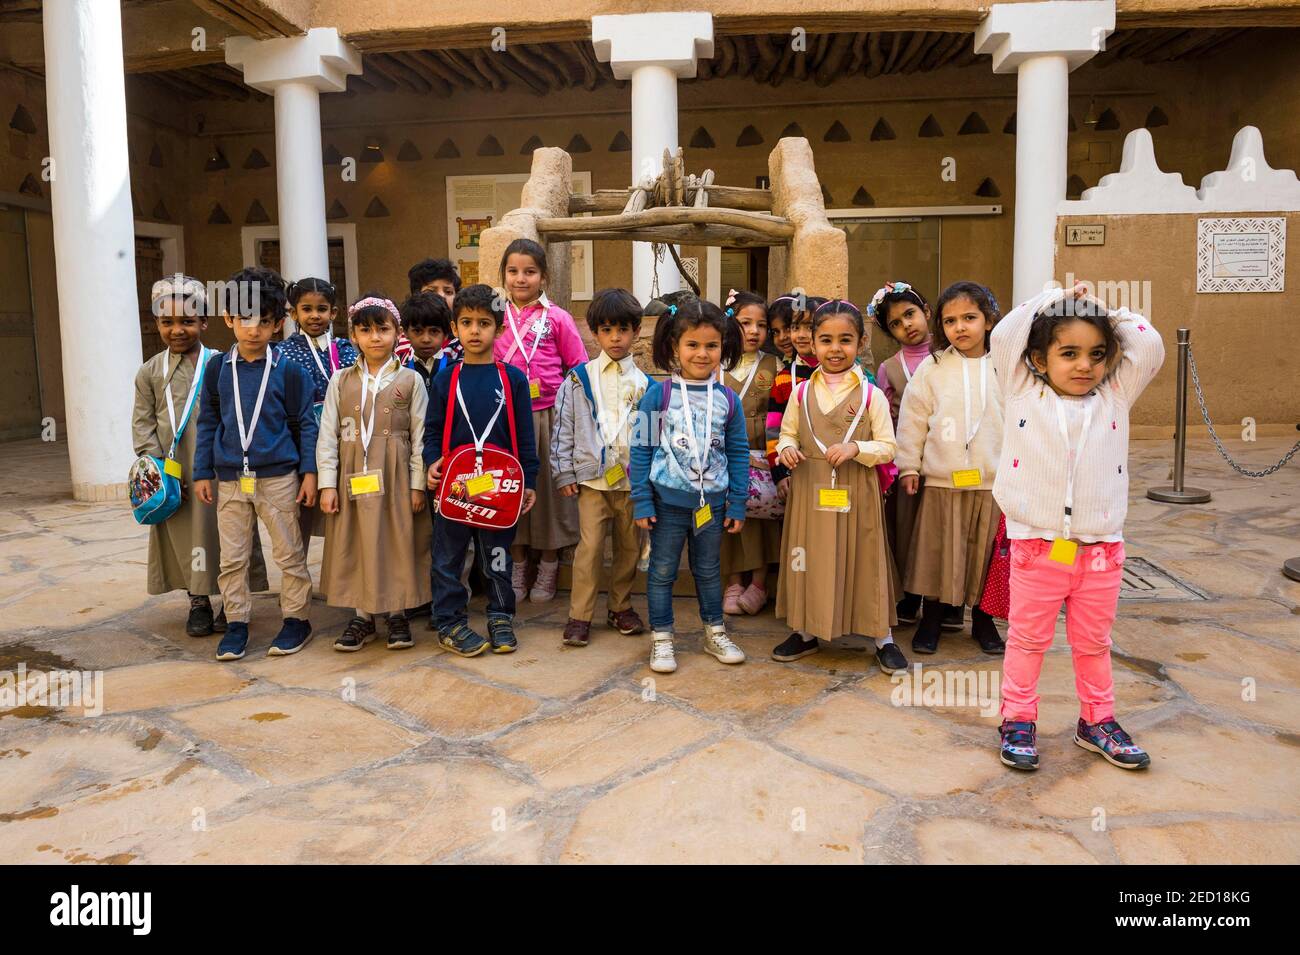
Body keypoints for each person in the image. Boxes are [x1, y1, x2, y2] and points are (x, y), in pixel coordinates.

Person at [992, 283, 1163, 771]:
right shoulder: (1021, 390)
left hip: (1100, 552)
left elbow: (1149, 346)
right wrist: (1051, 301)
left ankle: (1098, 721)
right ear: (1040, 361)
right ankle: (1018, 719)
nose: (1085, 365)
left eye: (1096, 353)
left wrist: (1106, 313)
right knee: (1027, 641)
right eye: (1069, 353)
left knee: (1093, 644)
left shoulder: (1114, 396)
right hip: (1037, 548)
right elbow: (1006, 336)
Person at [771, 300, 906, 674]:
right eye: (825, 340)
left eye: (845, 340)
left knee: (865, 557)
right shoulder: (800, 393)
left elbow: (890, 447)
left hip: (856, 487)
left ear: (860, 342)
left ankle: (882, 637)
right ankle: (805, 630)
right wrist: (786, 450)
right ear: (812, 343)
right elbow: (786, 434)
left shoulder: (870, 395)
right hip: (810, 486)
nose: (835, 349)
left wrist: (856, 448)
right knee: (807, 558)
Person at [193, 267, 318, 661]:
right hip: (230, 479)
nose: (254, 330)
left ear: (279, 323)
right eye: (245, 319)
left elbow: (305, 424)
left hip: (279, 477)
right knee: (233, 558)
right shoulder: (216, 369)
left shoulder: (290, 371)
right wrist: (201, 471)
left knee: (288, 552)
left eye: (265, 322)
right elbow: (209, 420)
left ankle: (296, 618)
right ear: (228, 319)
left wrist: (310, 472)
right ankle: (236, 622)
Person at [132, 274, 266, 636]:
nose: (178, 330)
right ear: (156, 323)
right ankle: (198, 601)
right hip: (174, 473)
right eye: (168, 322)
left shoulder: (222, 364)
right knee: (186, 536)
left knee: (227, 533)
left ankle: (231, 600)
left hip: (220, 467)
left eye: (188, 321)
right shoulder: (149, 373)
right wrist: (159, 474)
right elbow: (142, 424)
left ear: (204, 322)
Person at [630, 298, 749, 675]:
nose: (702, 353)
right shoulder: (658, 395)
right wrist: (642, 501)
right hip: (666, 504)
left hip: (712, 504)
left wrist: (738, 502)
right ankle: (662, 639)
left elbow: (738, 451)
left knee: (709, 570)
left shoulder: (728, 401)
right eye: (692, 345)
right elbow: (642, 447)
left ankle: (714, 631)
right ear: (674, 348)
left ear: (723, 347)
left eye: (711, 345)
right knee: (662, 570)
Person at [424, 284, 539, 656]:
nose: (475, 331)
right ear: (455, 328)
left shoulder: (513, 379)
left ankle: (501, 615)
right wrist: (430, 464)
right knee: (448, 558)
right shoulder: (445, 378)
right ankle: (449, 622)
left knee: (497, 556)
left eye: (484, 323)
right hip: (454, 486)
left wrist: (530, 481)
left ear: (500, 328)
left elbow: (525, 436)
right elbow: (431, 430)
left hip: (500, 487)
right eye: (467, 323)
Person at [896, 281, 1006, 655]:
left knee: (984, 555)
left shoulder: (1005, 366)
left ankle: (983, 620)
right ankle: (932, 618)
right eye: (950, 321)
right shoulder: (934, 367)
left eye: (969, 318)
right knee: (939, 552)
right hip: (943, 480)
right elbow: (913, 419)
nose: (960, 328)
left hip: (992, 482)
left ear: (989, 320)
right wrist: (908, 466)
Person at [317, 294, 430, 651]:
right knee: (357, 540)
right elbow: (328, 433)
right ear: (353, 335)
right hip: (351, 472)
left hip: (395, 473)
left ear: (398, 333)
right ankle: (362, 615)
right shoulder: (340, 379)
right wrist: (326, 484)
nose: (375, 337)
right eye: (366, 330)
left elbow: (420, 435)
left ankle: (396, 612)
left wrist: (417, 485)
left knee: (394, 540)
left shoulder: (411, 380)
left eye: (383, 329)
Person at [551, 287, 648, 646]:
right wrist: (564, 471)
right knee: (589, 550)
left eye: (623, 329)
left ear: (636, 331)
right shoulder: (578, 379)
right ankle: (580, 615)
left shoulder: (646, 385)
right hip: (592, 482)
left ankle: (620, 606)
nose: (615, 337)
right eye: (606, 330)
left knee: (629, 549)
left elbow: (650, 435)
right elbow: (563, 428)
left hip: (631, 484)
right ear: (594, 333)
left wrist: (647, 478)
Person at [494, 239, 589, 602]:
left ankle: (548, 565)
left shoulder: (558, 319)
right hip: (504, 418)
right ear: (503, 275)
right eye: (514, 271)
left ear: (544, 277)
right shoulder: (496, 316)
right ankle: (518, 563)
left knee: (548, 491)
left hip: (548, 415)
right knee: (509, 488)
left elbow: (577, 368)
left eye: (530, 272)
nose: (521, 279)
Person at [869, 281, 933, 627]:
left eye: (910, 314)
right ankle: (910, 594)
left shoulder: (949, 357)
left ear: (926, 312)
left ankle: (942, 599)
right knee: (905, 528)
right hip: (902, 463)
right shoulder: (889, 368)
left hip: (944, 461)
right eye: (896, 323)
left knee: (937, 528)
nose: (907, 325)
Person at [276, 276, 355, 549]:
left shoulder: (345, 349)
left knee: (341, 507)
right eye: (306, 309)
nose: (314, 316)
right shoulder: (283, 353)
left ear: (333, 313)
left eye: (321, 309)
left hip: (341, 439)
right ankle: (297, 574)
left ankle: (339, 574)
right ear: (293, 313)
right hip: (301, 440)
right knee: (301, 511)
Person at [719, 289, 783, 616]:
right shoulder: (717, 365)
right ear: (730, 324)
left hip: (762, 457)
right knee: (728, 519)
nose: (754, 331)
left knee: (763, 518)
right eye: (746, 323)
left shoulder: (775, 365)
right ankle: (732, 581)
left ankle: (759, 582)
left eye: (761, 325)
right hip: (726, 458)